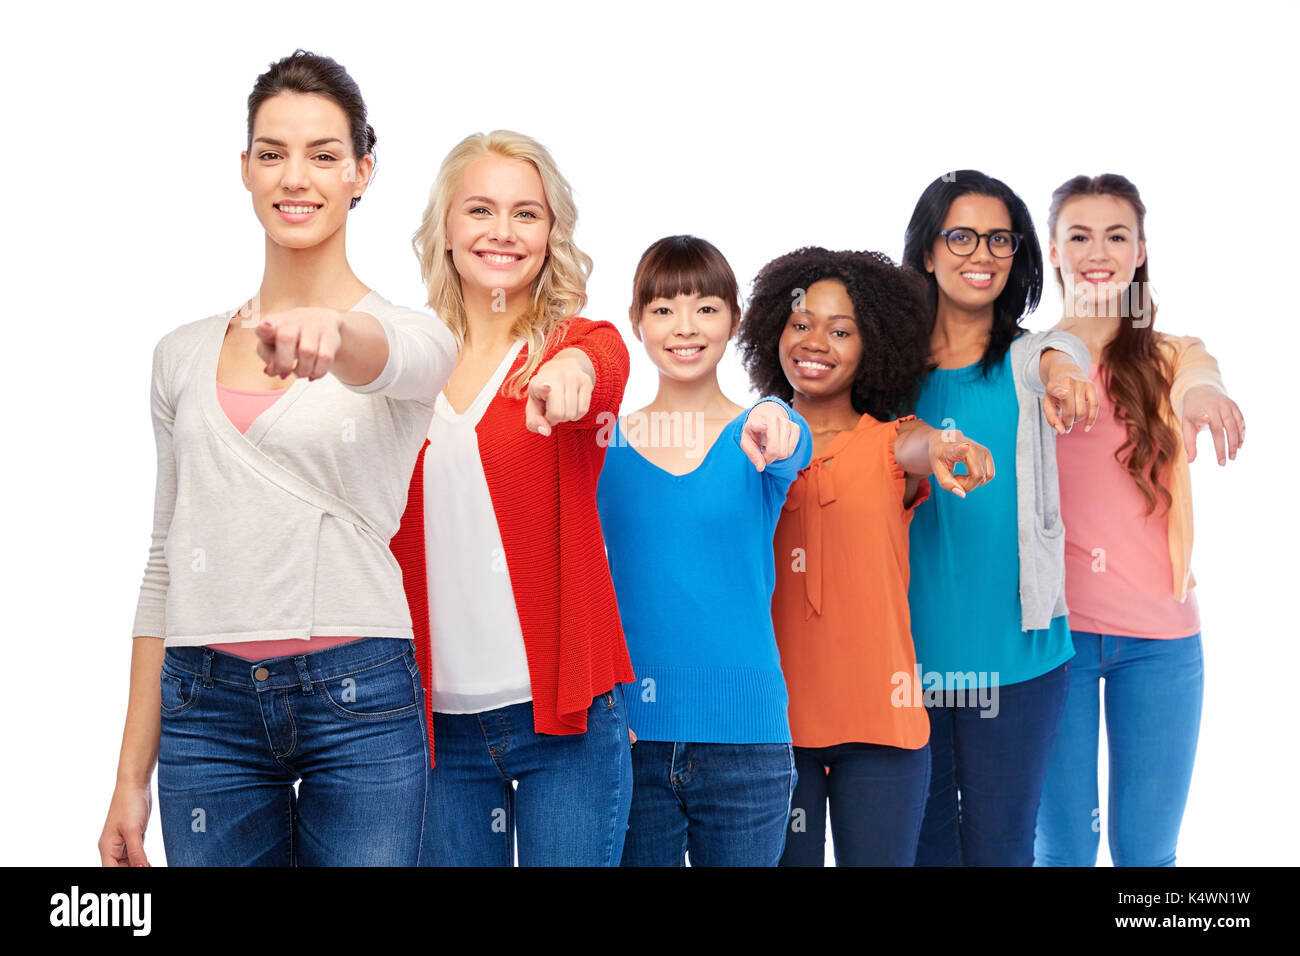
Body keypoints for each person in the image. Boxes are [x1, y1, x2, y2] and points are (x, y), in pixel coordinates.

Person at [99, 50, 457, 867]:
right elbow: (163, 566)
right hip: (202, 702)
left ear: (363, 171)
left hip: (358, 694)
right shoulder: (180, 355)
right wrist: (130, 776)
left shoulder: (414, 333)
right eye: (274, 152)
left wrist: (337, 334)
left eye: (325, 155)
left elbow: (395, 359)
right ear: (246, 169)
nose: (297, 177)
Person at [394, 130, 635, 866]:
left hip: (563, 719)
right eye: (480, 210)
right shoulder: (405, 362)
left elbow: (603, 363)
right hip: (434, 729)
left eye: (526, 213)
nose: (502, 232)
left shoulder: (575, 342)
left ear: (551, 233)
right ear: (445, 230)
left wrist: (570, 372)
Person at [736, 246, 996, 866]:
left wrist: (947, 443)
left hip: (882, 726)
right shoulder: (750, 443)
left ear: (872, 344)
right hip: (775, 730)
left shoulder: (890, 441)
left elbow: (923, 445)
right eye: (801, 323)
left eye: (841, 330)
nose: (815, 341)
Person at [1034, 174, 1244, 867]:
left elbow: (1198, 374)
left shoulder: (1169, 353)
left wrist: (1205, 394)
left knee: (1148, 857)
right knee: (1062, 850)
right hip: (1052, 642)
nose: (1099, 251)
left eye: (1117, 235)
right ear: (1055, 251)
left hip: (1161, 642)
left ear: (1141, 250)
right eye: (1080, 235)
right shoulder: (1025, 361)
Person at [900, 170, 1098, 866]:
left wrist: (1069, 378)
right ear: (927, 250)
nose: (981, 254)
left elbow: (1061, 354)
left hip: (1019, 658)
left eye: (999, 239)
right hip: (909, 661)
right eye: (961, 236)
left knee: (1001, 847)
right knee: (922, 849)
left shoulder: (1024, 359)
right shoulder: (889, 374)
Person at [595, 235, 811, 866]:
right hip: (632, 738)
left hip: (747, 743)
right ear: (636, 322)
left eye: (706, 308)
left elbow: (792, 439)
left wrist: (776, 411)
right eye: (663, 309)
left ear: (734, 320)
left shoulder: (760, 433)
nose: (684, 328)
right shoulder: (605, 445)